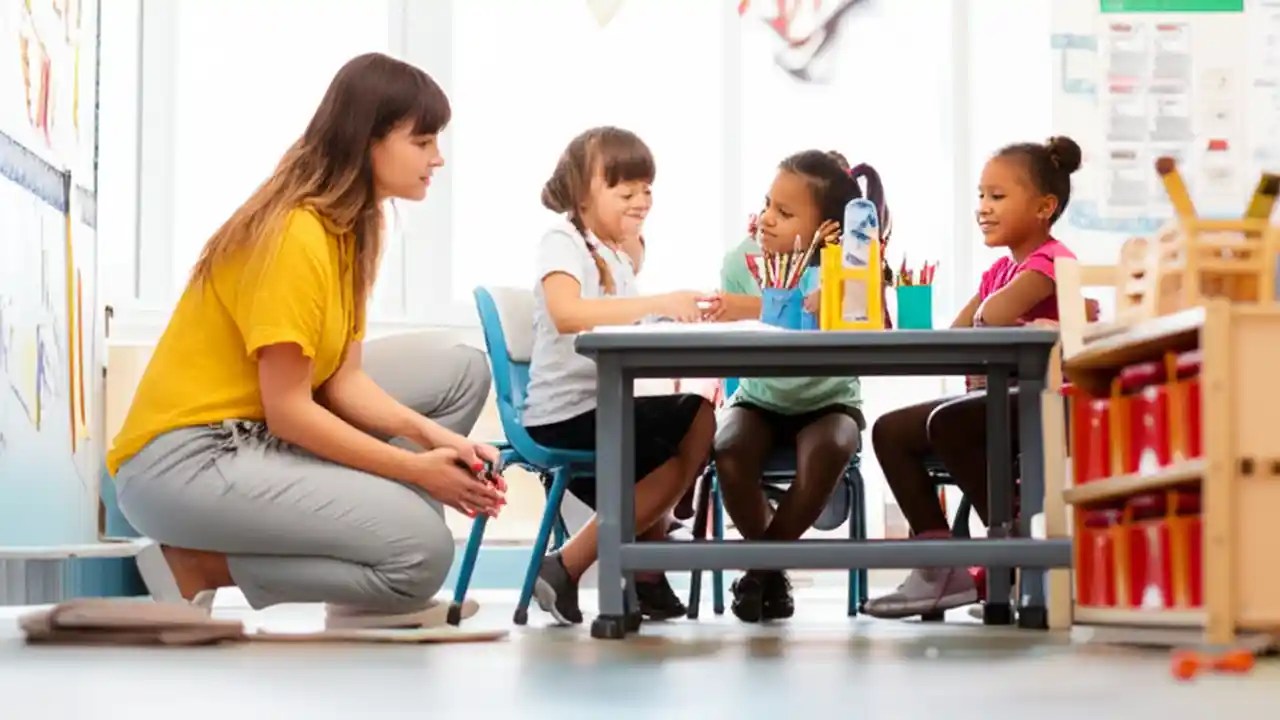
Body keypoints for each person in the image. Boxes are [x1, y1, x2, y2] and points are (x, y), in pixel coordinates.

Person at [107, 52, 505, 630]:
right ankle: (195, 566)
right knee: (423, 555)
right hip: (185, 463)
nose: (436, 158)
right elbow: (291, 411)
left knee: (461, 370)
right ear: (369, 140)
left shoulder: (352, 228)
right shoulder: (295, 236)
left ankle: (370, 581)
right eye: (422, 142)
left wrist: (436, 440)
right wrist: (417, 472)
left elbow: (343, 381)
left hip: (254, 435)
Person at [863, 136, 1083, 619]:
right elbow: (959, 335)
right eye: (981, 196)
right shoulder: (999, 271)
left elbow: (993, 315)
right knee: (891, 431)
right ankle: (941, 566)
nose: (983, 208)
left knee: (950, 423)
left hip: (1048, 402)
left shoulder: (1051, 261)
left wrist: (991, 312)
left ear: (1045, 207)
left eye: (997, 197)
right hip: (1001, 404)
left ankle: (1014, 551)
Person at [522, 126, 717, 626]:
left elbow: (626, 293)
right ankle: (573, 565)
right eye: (625, 191)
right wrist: (659, 302)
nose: (642, 200)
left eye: (647, 189)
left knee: (697, 418)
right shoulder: (562, 240)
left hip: (604, 405)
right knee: (683, 440)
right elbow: (567, 313)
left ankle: (645, 562)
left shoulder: (611, 253)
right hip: (567, 412)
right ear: (582, 195)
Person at [703, 151, 888, 622]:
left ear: (828, 229)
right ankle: (772, 569)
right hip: (759, 400)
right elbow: (729, 333)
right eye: (767, 204)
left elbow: (877, 329)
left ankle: (759, 570)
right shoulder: (739, 261)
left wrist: (850, 283)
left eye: (784, 214)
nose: (766, 219)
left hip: (830, 403)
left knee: (830, 449)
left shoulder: (846, 265)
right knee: (729, 451)